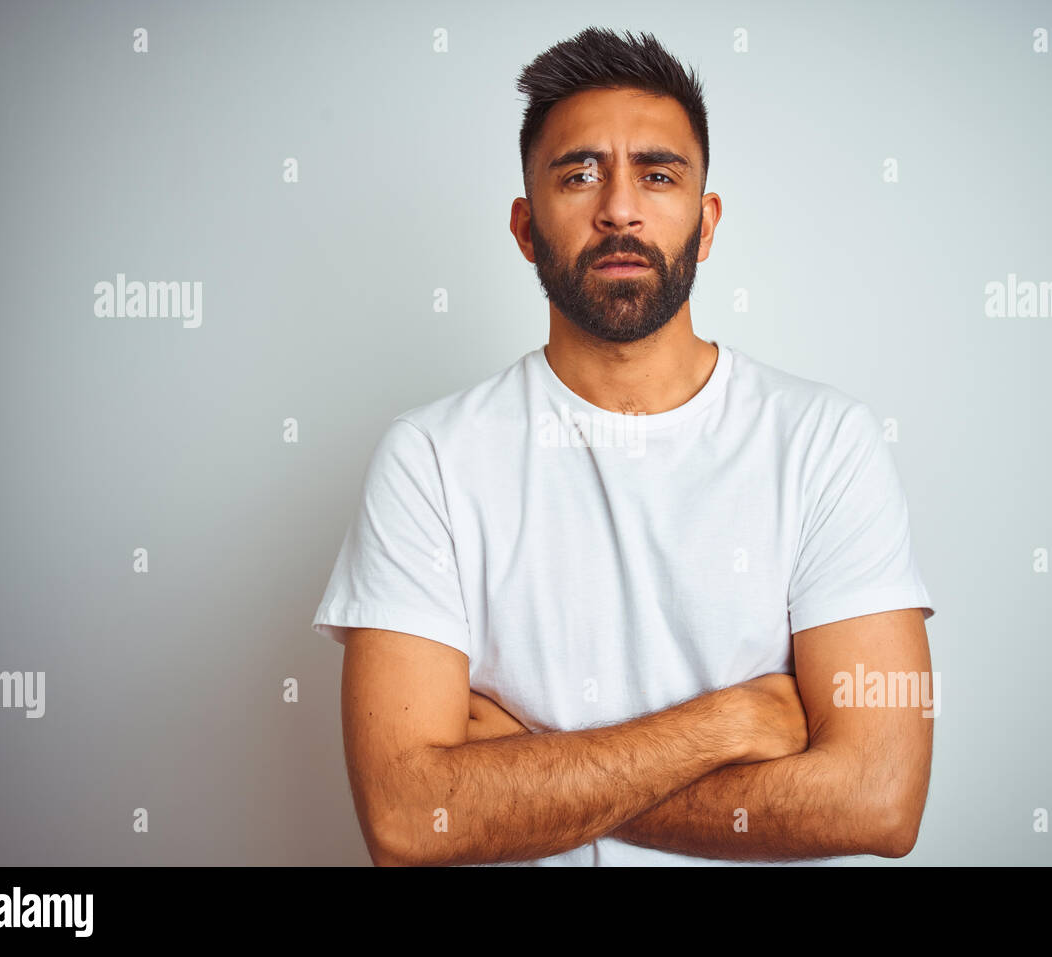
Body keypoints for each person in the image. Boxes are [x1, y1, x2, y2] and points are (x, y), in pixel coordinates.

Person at [312, 27, 936, 866]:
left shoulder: (824, 442)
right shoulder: (430, 458)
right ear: (526, 228)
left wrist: (524, 763)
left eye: (658, 173)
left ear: (706, 223)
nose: (619, 208)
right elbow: (405, 817)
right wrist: (729, 724)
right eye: (579, 174)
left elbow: (879, 800)